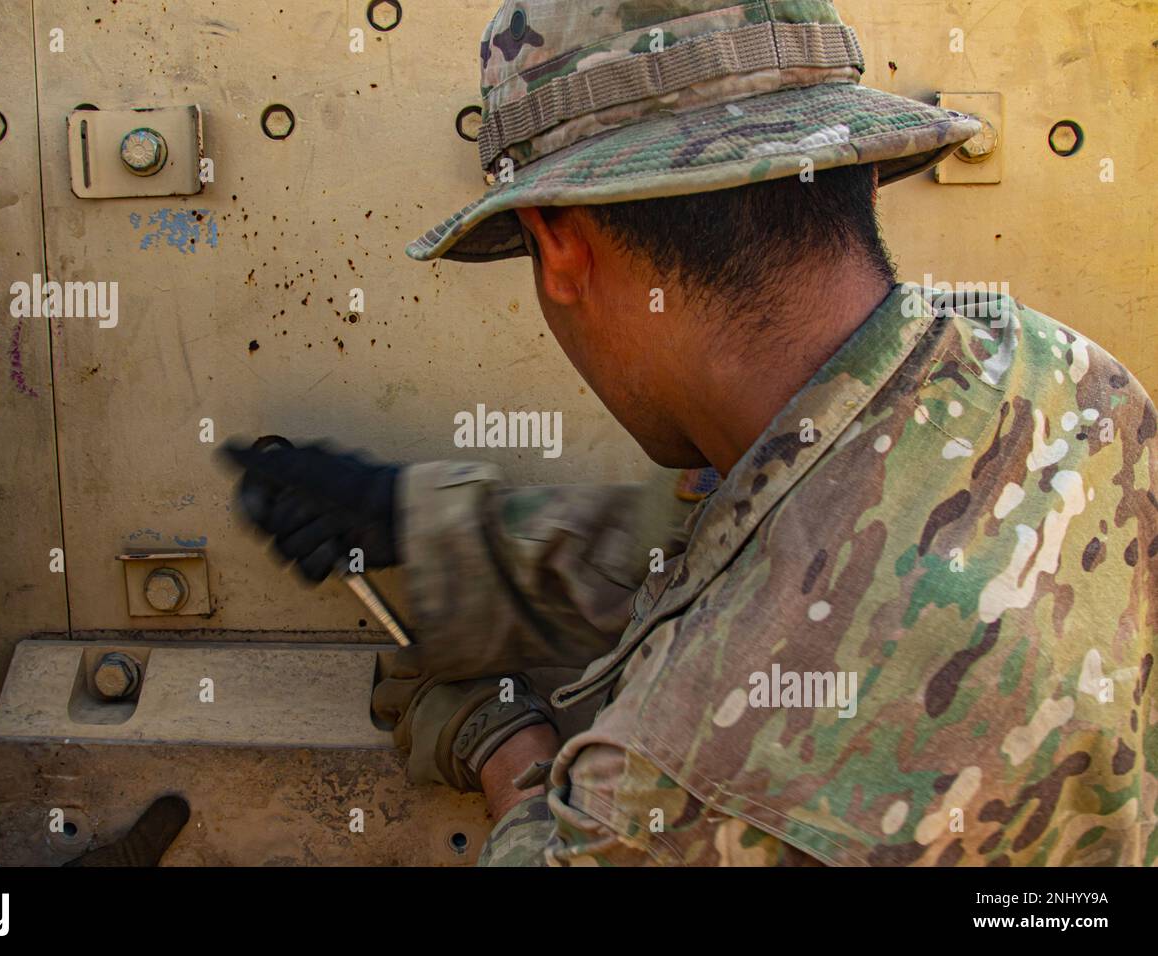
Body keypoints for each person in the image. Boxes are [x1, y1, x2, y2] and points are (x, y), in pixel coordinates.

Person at [224, 0, 1158, 866]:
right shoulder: (1059, 369)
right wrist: (422, 526)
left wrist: (507, 745)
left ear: (559, 247)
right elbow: (762, 532)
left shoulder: (676, 785)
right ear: (862, 176)